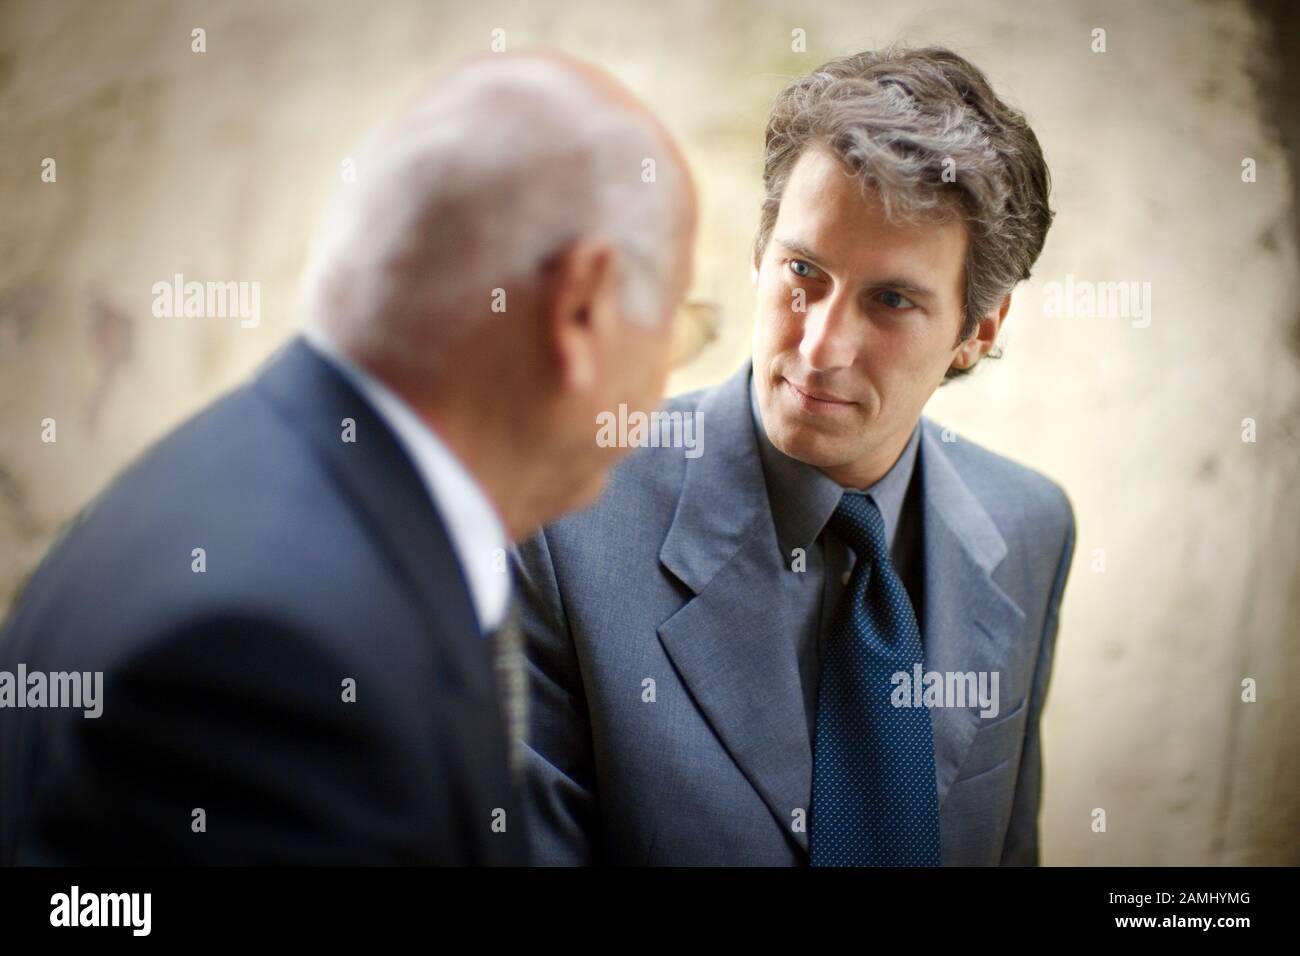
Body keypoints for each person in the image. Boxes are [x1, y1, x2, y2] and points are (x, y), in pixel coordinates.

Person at [0, 51, 696, 865]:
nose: (668, 379)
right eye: (681, 325)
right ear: (582, 307)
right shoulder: (271, 660)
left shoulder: (244, 484)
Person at [514, 46, 1074, 866]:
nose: (819, 346)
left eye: (890, 300)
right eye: (803, 271)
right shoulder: (556, 513)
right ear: (758, 253)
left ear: (978, 330)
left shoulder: (1029, 528)